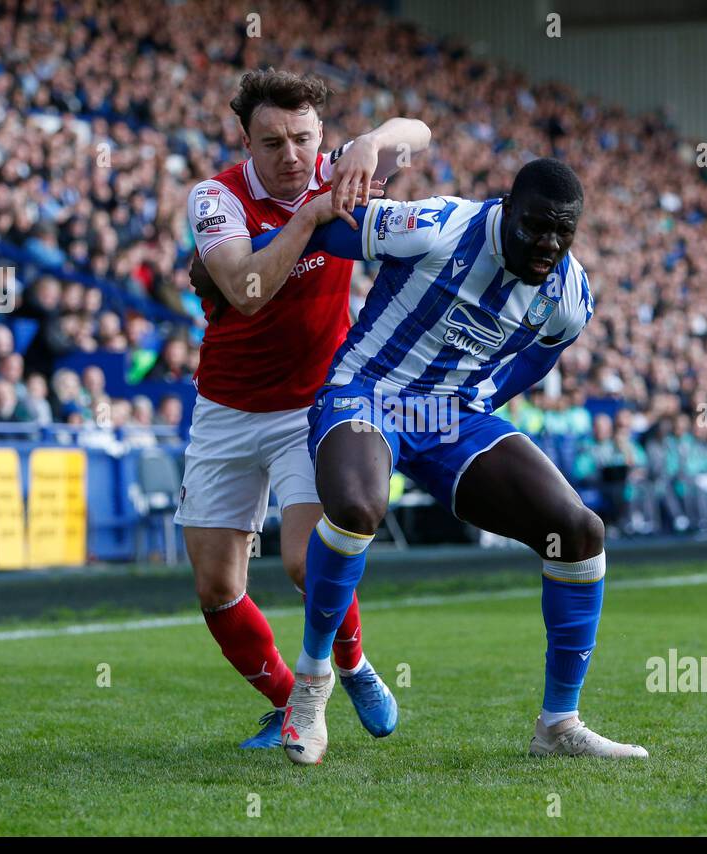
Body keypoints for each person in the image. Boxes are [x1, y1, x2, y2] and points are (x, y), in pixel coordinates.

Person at [237, 157, 648, 764]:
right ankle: (312, 687)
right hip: (368, 391)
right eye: (536, 226)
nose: (548, 243)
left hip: (452, 415)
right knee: (357, 507)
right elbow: (322, 230)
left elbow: (540, 356)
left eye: (563, 232)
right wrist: (238, 265)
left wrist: (483, 401)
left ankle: (558, 725)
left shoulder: (568, 292)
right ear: (506, 209)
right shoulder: (437, 225)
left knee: (579, 530)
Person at [177, 68, 431, 748]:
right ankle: (292, 702)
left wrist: (372, 143)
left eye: (303, 139)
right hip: (226, 407)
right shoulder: (215, 199)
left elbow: (421, 132)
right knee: (214, 586)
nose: (291, 156)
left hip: (313, 404)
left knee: (301, 560)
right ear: (245, 142)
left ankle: (352, 665)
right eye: (272, 142)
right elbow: (247, 286)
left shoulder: (338, 170)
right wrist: (313, 216)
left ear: (320, 134)